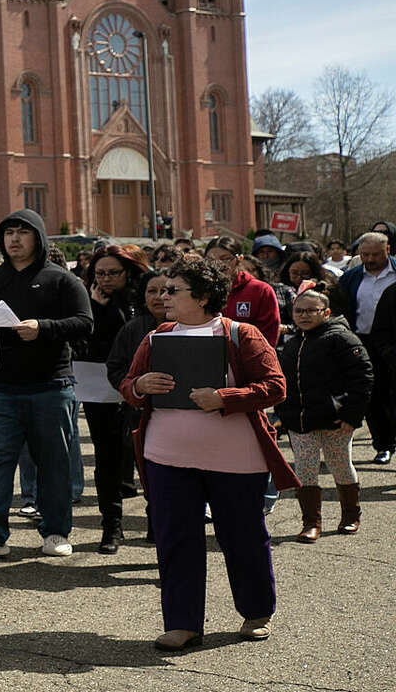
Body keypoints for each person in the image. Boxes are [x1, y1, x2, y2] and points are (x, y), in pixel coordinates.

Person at [119, 257, 295, 650]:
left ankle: (256, 613)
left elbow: (276, 386)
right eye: (163, 290)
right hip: (166, 456)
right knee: (175, 538)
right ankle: (182, 623)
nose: (162, 296)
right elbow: (128, 385)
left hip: (235, 459)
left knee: (243, 537)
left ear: (201, 297)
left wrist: (224, 397)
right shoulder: (156, 336)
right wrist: (141, 385)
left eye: (172, 290)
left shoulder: (242, 334)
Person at [0, 209, 92, 559]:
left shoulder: (62, 280)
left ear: (38, 237)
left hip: (51, 386)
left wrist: (44, 328)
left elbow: (85, 323)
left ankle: (55, 531)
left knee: (54, 462)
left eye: (23, 232)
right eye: (9, 233)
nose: (15, 239)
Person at [278, 287, 371, 540]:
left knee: (340, 466)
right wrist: (283, 414)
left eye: (311, 311)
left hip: (335, 420)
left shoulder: (342, 338)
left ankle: (351, 516)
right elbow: (284, 381)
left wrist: (352, 416)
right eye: (299, 311)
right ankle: (311, 523)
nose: (304, 316)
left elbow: (362, 378)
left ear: (326, 312)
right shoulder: (293, 342)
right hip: (301, 421)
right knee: (305, 471)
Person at [78, 246, 145, 553]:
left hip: (142, 386)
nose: (105, 279)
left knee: (149, 457)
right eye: (99, 273)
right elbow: (86, 342)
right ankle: (112, 527)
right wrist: (96, 308)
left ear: (128, 272)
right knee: (107, 458)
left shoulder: (144, 297)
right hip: (99, 387)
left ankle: (155, 523)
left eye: (112, 273)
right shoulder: (88, 299)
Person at [331, 231, 396, 464]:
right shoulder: (351, 277)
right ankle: (383, 445)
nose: (369, 259)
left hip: (393, 342)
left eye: (375, 255)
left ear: (387, 251)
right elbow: (339, 306)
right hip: (363, 342)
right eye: (365, 254)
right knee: (374, 396)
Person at [205, 236, 280, 347]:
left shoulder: (261, 290)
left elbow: (268, 335)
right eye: (210, 260)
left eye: (225, 259)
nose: (217, 264)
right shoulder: (200, 290)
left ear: (239, 259)